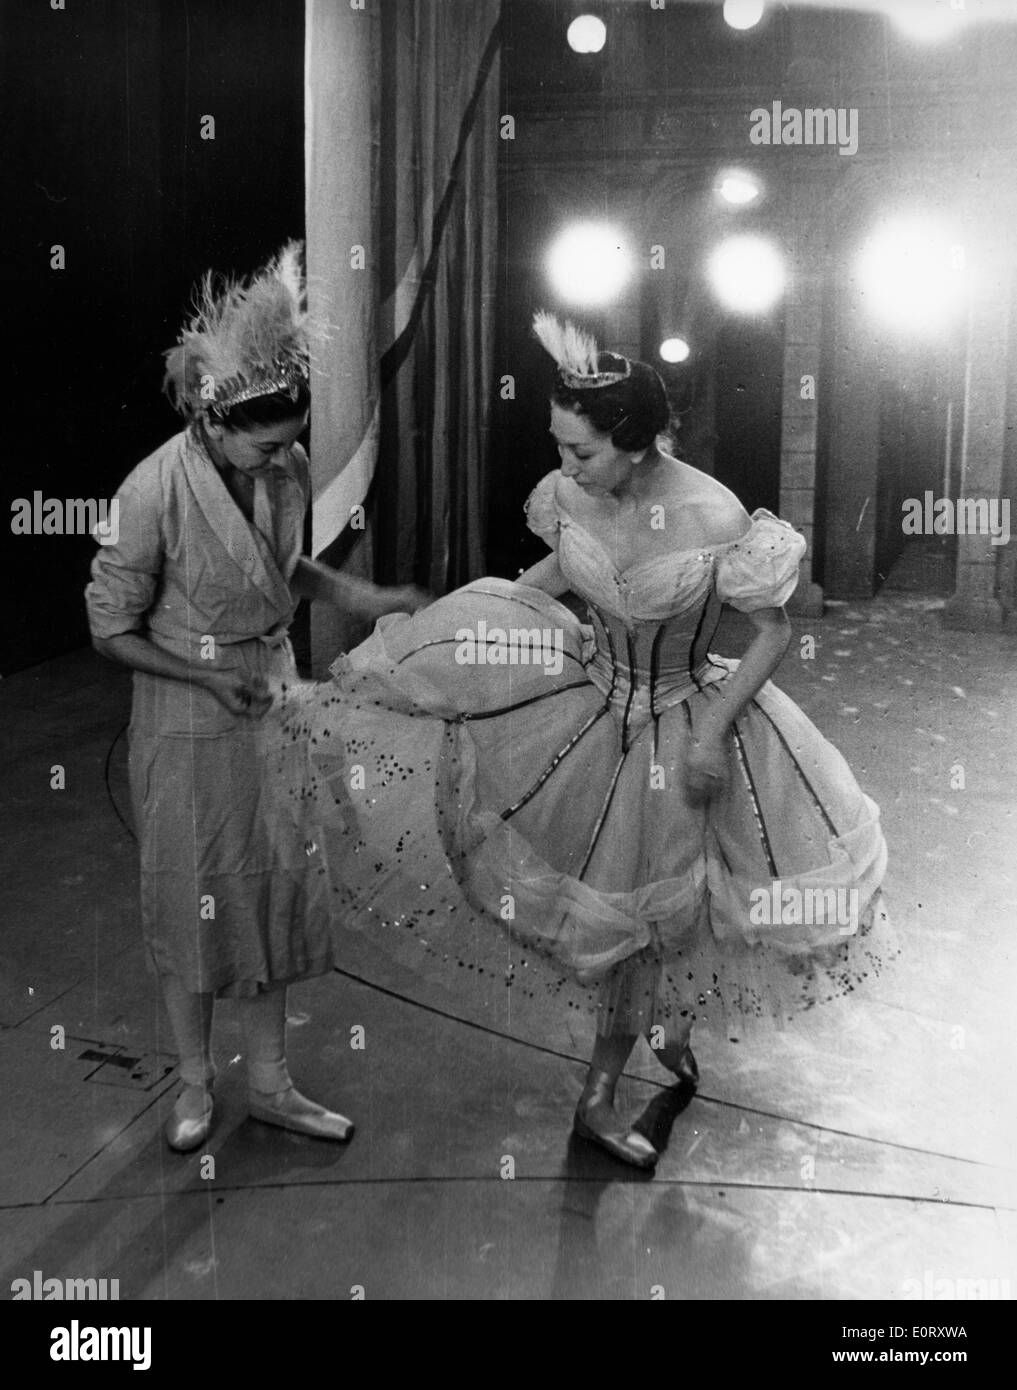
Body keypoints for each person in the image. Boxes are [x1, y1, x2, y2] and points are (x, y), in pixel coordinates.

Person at [271, 312, 893, 1171]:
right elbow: (556, 575)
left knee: (661, 909)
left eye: (582, 452)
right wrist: (473, 635)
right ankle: (616, 1082)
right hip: (591, 706)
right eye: (557, 447)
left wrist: (712, 730)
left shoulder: (711, 514)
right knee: (622, 910)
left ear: (634, 443)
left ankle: (618, 1079)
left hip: (684, 719)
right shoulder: (569, 495)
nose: (564, 468)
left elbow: (772, 634)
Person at [86, 244, 426, 1153]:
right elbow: (107, 629)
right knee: (190, 899)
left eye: (290, 444)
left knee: (274, 890)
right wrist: (204, 676)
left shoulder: (285, 466)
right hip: (189, 717)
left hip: (272, 699)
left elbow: (281, 570)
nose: (283, 459)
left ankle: (271, 1083)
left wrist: (363, 597)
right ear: (213, 426)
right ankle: (194, 1087)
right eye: (266, 445)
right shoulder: (150, 492)